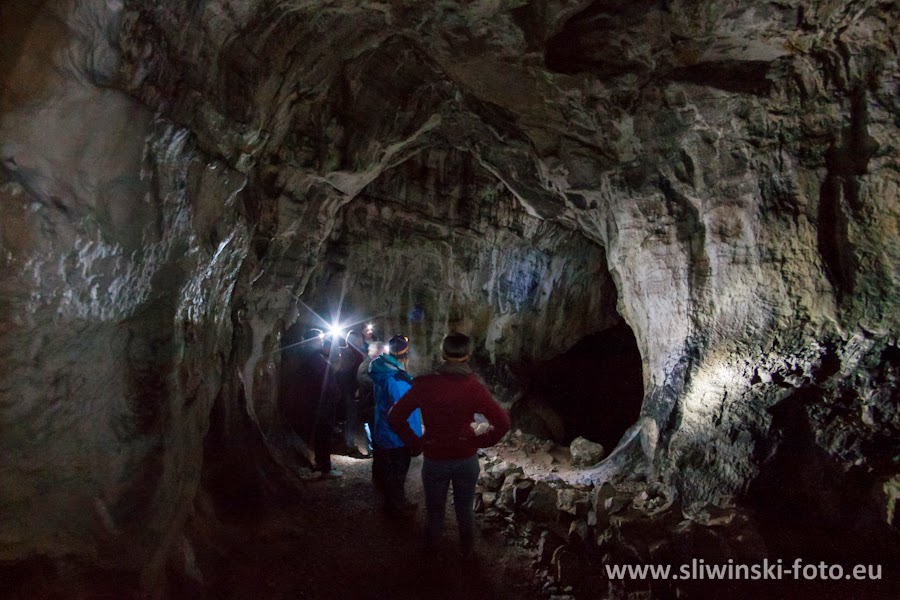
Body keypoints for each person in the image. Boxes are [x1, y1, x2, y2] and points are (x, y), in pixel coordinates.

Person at [387, 332, 510, 557]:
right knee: (464, 510)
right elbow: (502, 422)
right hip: (465, 458)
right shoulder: (474, 388)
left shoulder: (425, 384)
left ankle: (432, 560)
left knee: (435, 512)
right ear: (467, 355)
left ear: (442, 354)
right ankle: (468, 555)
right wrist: (479, 441)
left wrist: (415, 443)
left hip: (435, 457)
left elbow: (395, 417)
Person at [369, 335, 422, 515]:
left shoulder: (384, 369)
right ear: (405, 356)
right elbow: (401, 414)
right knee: (398, 471)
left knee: (390, 468)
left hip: (386, 430)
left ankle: (392, 500)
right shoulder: (396, 380)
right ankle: (396, 505)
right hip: (397, 435)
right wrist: (413, 439)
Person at [295, 328, 342, 479]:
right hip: (322, 404)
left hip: (317, 403)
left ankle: (321, 463)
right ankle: (325, 468)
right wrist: (333, 395)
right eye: (319, 339)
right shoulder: (314, 359)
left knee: (321, 435)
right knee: (323, 435)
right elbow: (324, 381)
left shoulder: (311, 357)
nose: (322, 341)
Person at [337, 330, 368, 458]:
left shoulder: (354, 353)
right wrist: (354, 388)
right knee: (350, 418)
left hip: (352, 390)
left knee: (353, 418)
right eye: (359, 339)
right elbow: (347, 374)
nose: (361, 341)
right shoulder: (349, 354)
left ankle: (349, 443)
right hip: (350, 391)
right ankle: (348, 445)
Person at [357, 340, 386, 456]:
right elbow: (369, 382)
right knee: (372, 430)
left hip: (374, 405)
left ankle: (377, 451)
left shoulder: (374, 365)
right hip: (370, 406)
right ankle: (375, 452)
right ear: (376, 353)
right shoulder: (366, 367)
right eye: (383, 353)